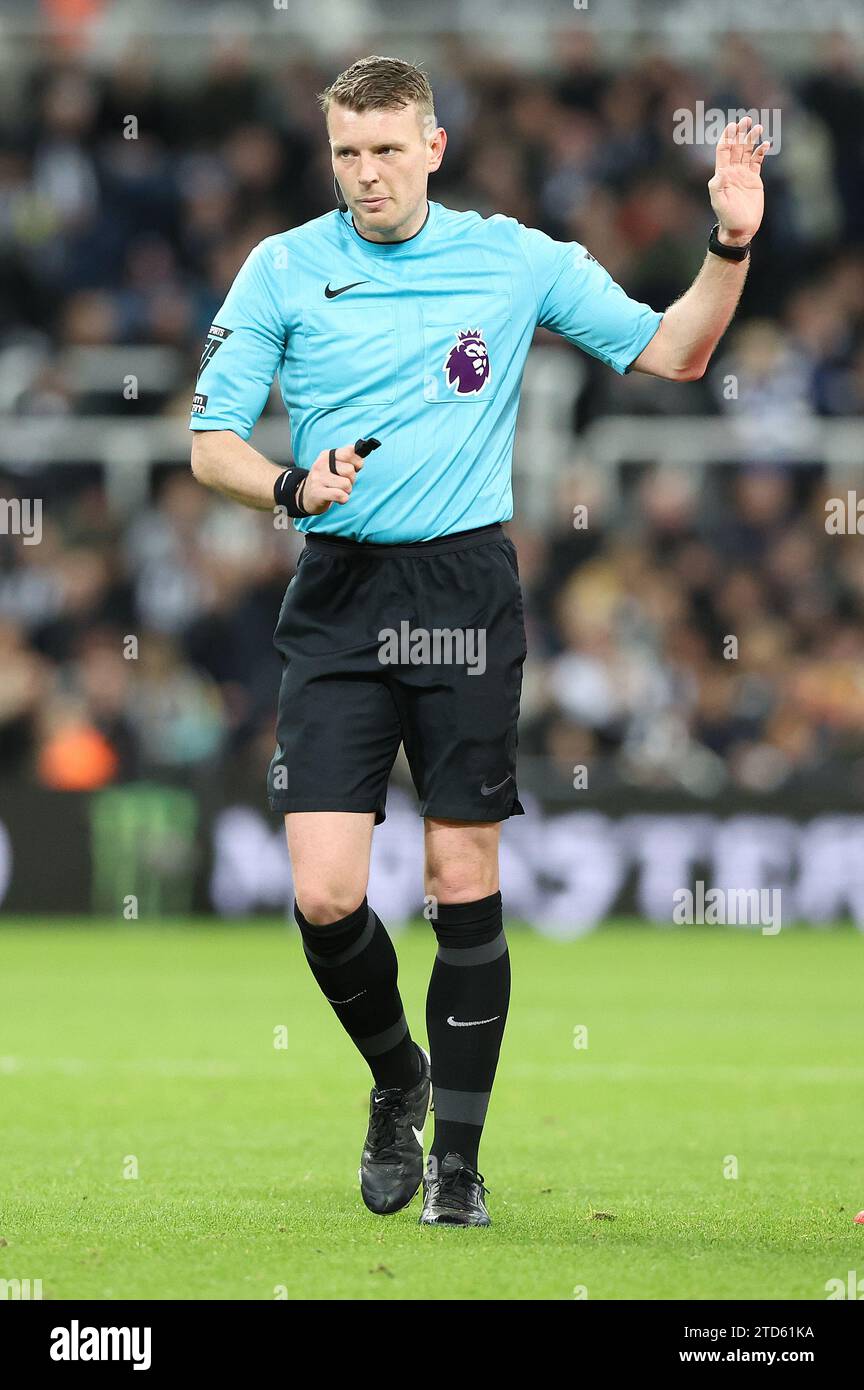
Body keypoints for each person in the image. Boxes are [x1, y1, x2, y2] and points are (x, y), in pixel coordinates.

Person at [189, 54, 768, 1226]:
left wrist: (730, 246)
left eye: (387, 150)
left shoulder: (512, 257)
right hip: (340, 591)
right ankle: (397, 1077)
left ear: (434, 147)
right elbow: (211, 442)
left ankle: (458, 1160)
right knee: (323, 891)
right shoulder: (285, 267)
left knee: (462, 876)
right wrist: (294, 487)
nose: (366, 174)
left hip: (462, 588)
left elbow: (676, 352)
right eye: (347, 152)